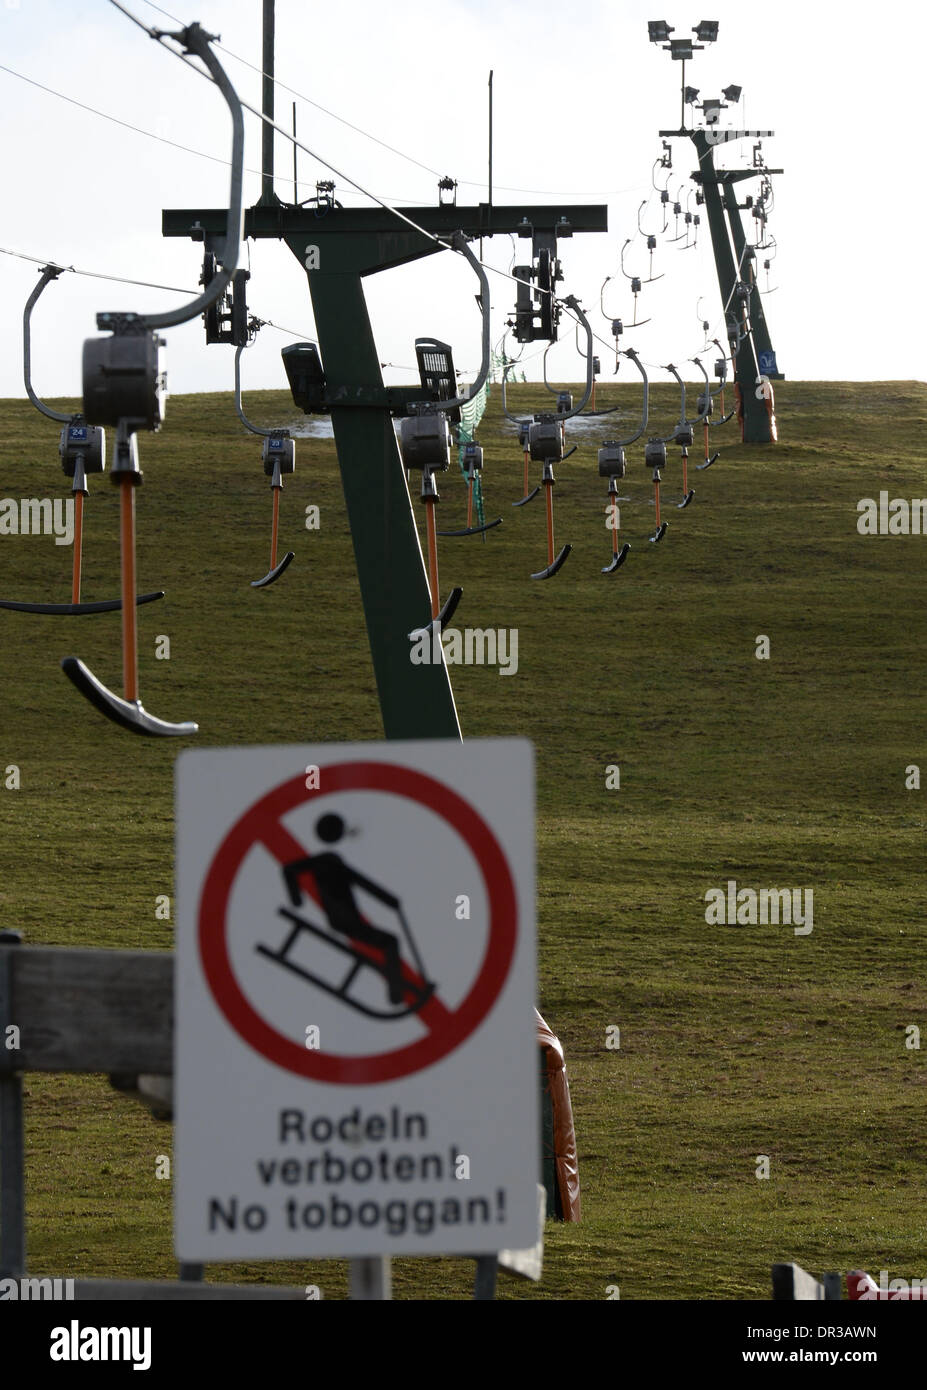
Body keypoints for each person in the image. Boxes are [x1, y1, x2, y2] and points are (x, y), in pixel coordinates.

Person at [282, 813, 406, 1005]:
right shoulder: (330, 861)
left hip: (344, 919)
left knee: (389, 941)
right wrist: (296, 900)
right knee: (390, 942)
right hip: (345, 920)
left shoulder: (327, 861)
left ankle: (396, 990)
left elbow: (290, 869)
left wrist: (390, 900)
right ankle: (395, 993)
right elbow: (359, 880)